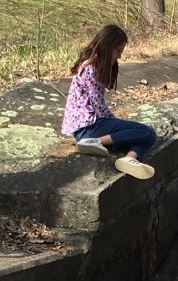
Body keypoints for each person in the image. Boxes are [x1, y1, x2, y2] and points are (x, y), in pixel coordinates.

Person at [62, 24, 157, 181]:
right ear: (108, 46)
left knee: (148, 136)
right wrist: (115, 122)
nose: (119, 56)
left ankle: (130, 159)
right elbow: (98, 106)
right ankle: (96, 142)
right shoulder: (91, 68)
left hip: (90, 126)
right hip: (88, 128)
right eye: (118, 50)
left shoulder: (92, 66)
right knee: (147, 132)